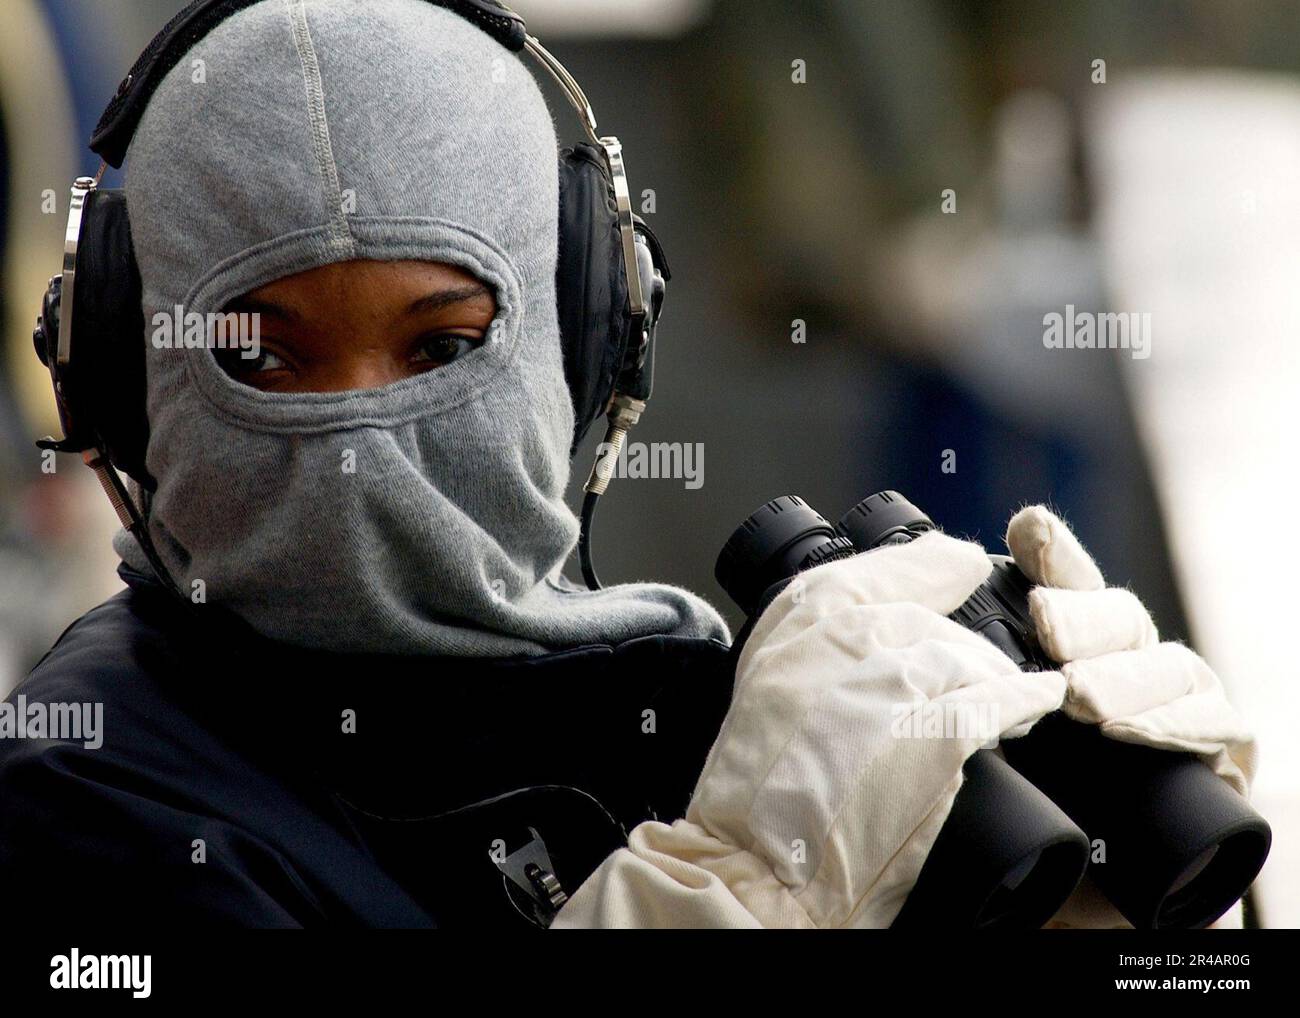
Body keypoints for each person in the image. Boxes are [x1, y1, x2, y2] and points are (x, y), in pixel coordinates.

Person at [0, 0, 1256, 929]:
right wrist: (750, 890)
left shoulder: (690, 711)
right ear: (127, 380)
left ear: (591, 339)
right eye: (264, 358)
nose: (359, 444)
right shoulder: (84, 803)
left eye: (443, 346)